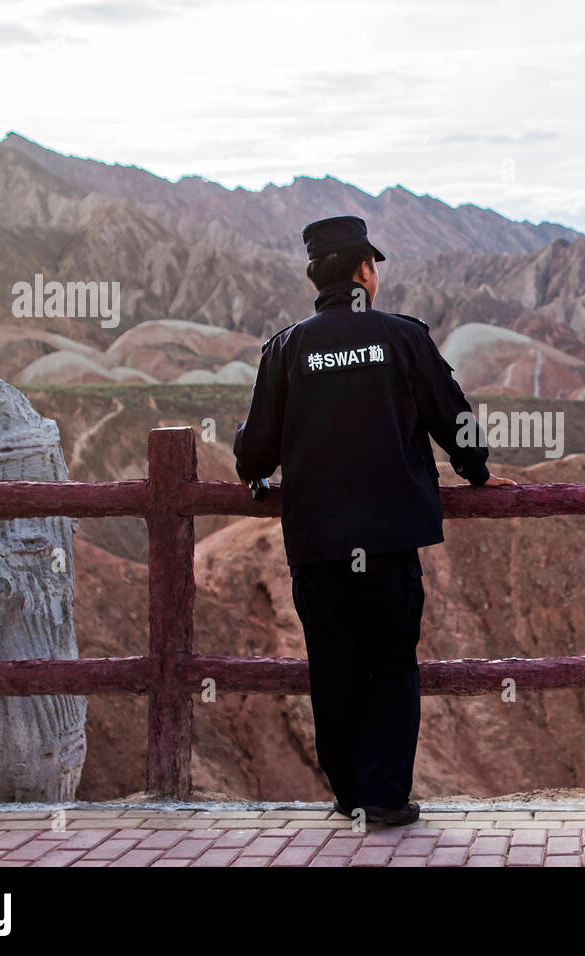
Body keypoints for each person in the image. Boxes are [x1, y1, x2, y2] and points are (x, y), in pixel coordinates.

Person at [233, 215, 515, 827]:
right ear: (364, 270)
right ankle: (385, 795)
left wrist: (247, 459)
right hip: (388, 540)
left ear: (317, 276)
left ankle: (349, 796)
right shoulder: (404, 339)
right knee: (391, 661)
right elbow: (453, 417)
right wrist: (477, 472)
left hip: (317, 543)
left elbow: (256, 451)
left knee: (332, 665)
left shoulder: (286, 349)